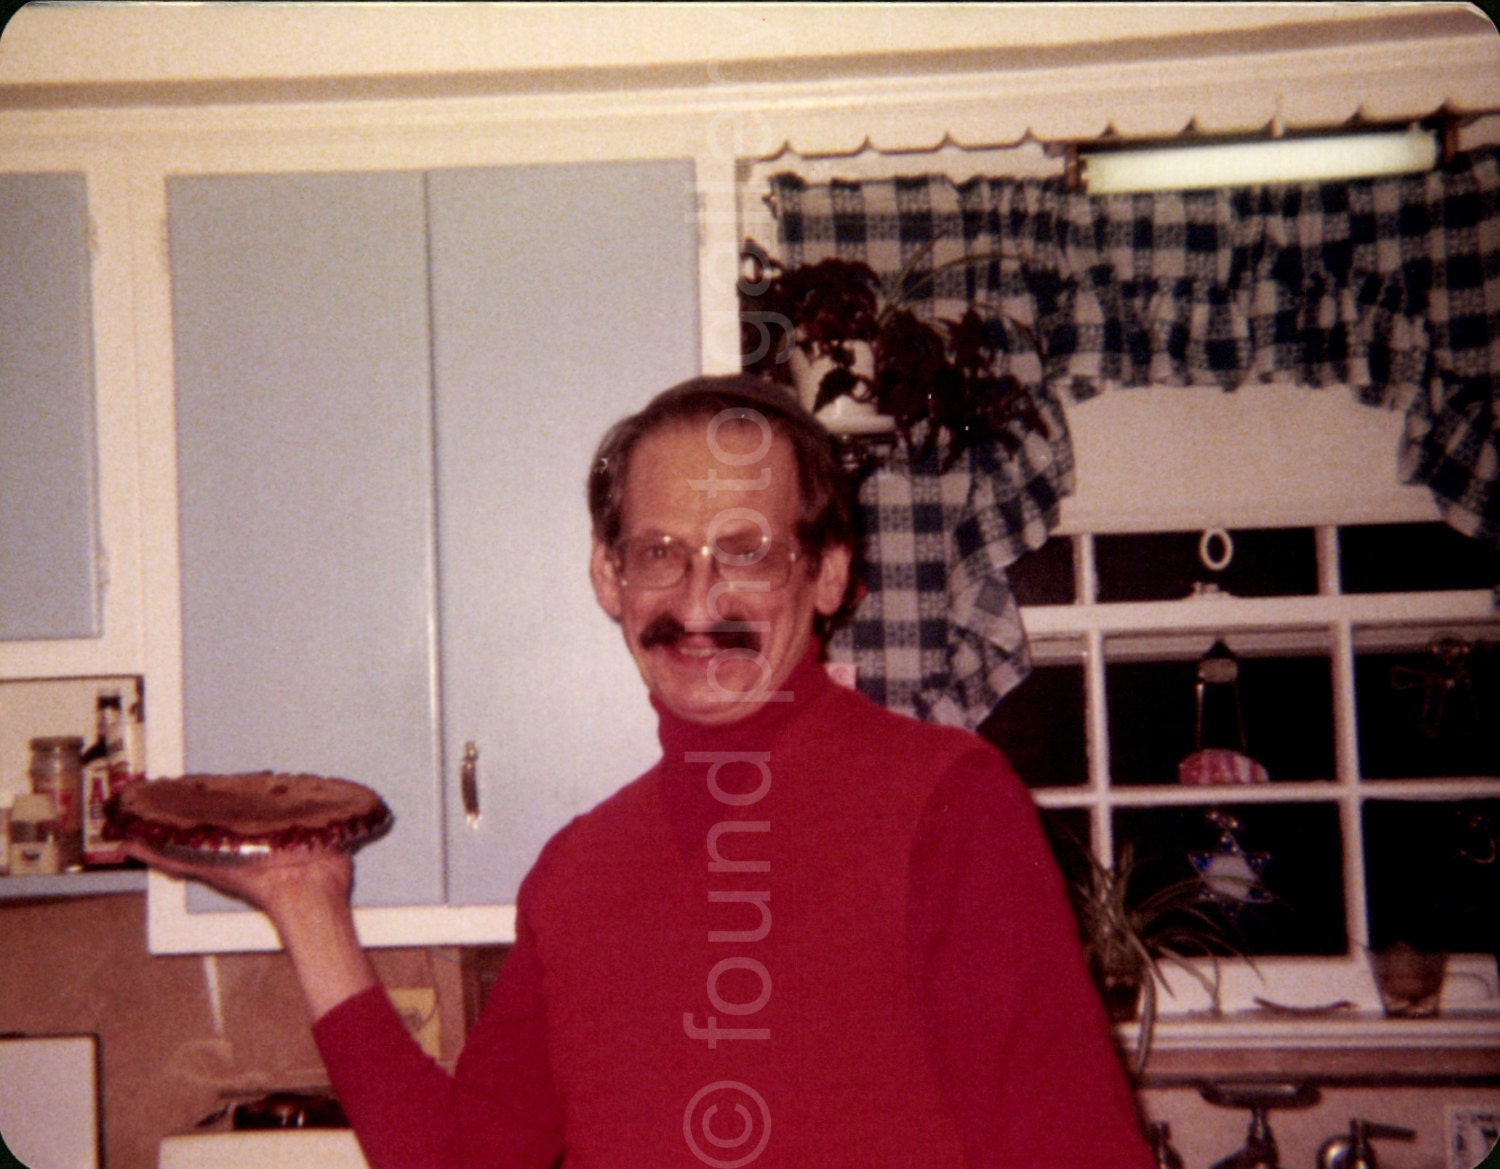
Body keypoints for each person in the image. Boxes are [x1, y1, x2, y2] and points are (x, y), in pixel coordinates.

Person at [130, 375, 1154, 1169]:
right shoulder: (576, 873)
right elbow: (465, 1157)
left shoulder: (945, 804)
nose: (696, 598)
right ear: (607, 578)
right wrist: (308, 905)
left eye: (746, 551)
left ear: (829, 571)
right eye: (659, 551)